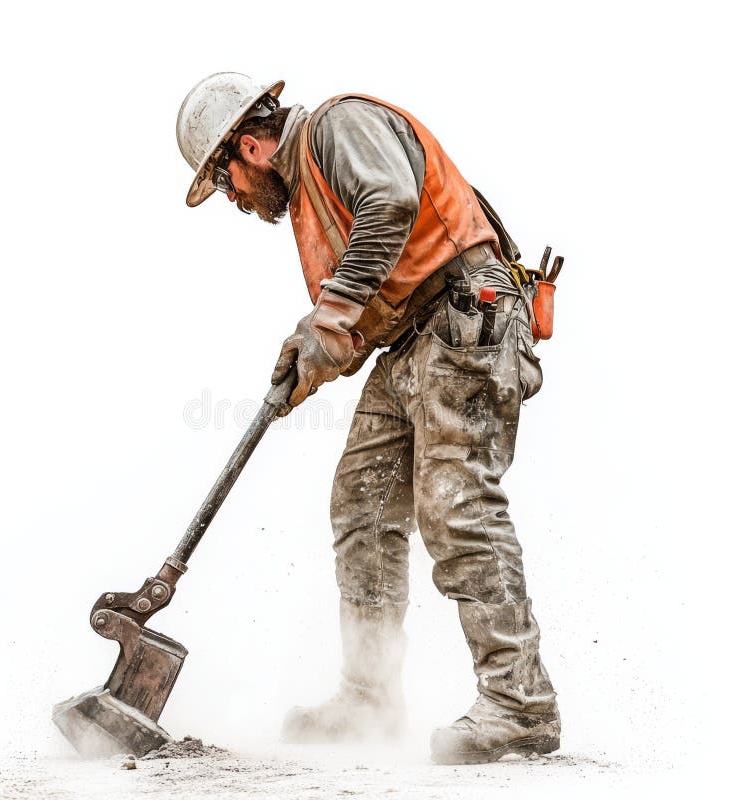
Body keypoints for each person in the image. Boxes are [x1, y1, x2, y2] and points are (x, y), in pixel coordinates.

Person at [176, 72, 560, 765]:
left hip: (465, 314)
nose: (235, 200)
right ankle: (369, 695)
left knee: (456, 505)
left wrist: (330, 316)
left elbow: (391, 202)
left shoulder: (335, 125)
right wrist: (313, 360)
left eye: (226, 182)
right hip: (416, 337)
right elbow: (361, 312)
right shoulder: (308, 202)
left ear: (251, 146)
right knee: (362, 502)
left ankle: (520, 704)